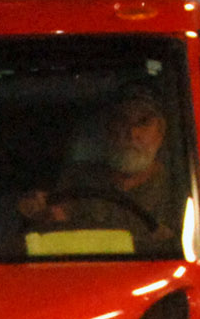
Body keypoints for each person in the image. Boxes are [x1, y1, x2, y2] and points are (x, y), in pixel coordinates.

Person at [19, 84, 177, 245]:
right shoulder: (76, 179)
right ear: (108, 129)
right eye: (122, 120)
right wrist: (43, 214)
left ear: (160, 133)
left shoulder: (181, 188)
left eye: (144, 122)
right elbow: (46, 239)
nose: (132, 133)